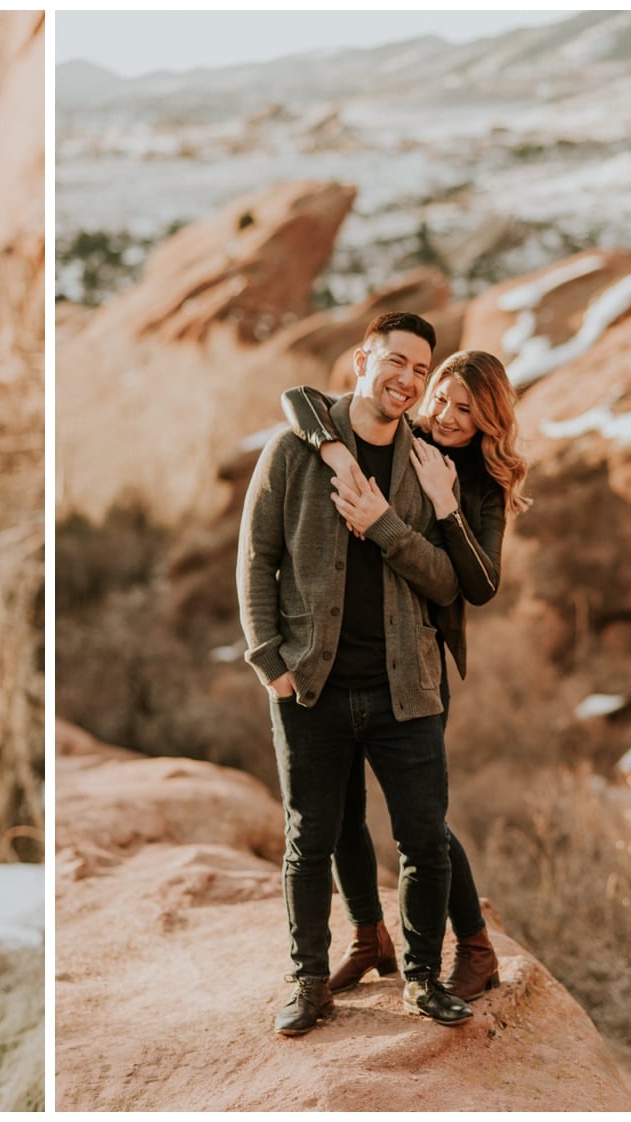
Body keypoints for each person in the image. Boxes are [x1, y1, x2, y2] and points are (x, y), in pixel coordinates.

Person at [237, 311, 472, 1036]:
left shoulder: (429, 464)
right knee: (310, 838)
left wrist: (386, 527)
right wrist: (270, 662)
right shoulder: (292, 451)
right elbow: (256, 558)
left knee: (424, 839)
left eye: (419, 371)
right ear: (363, 357)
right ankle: (309, 981)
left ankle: (424, 977)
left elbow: (445, 581)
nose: (406, 380)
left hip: (408, 689)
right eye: (395, 361)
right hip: (312, 686)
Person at [281, 349, 532, 1002]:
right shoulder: (401, 436)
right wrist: (337, 456)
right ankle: (370, 941)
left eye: (465, 410)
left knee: (424, 822)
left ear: (489, 421)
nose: (445, 416)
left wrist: (447, 505)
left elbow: (478, 587)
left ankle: (473, 947)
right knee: (339, 816)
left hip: (416, 661)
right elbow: (302, 400)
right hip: (343, 659)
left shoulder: (480, 484)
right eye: (441, 399)